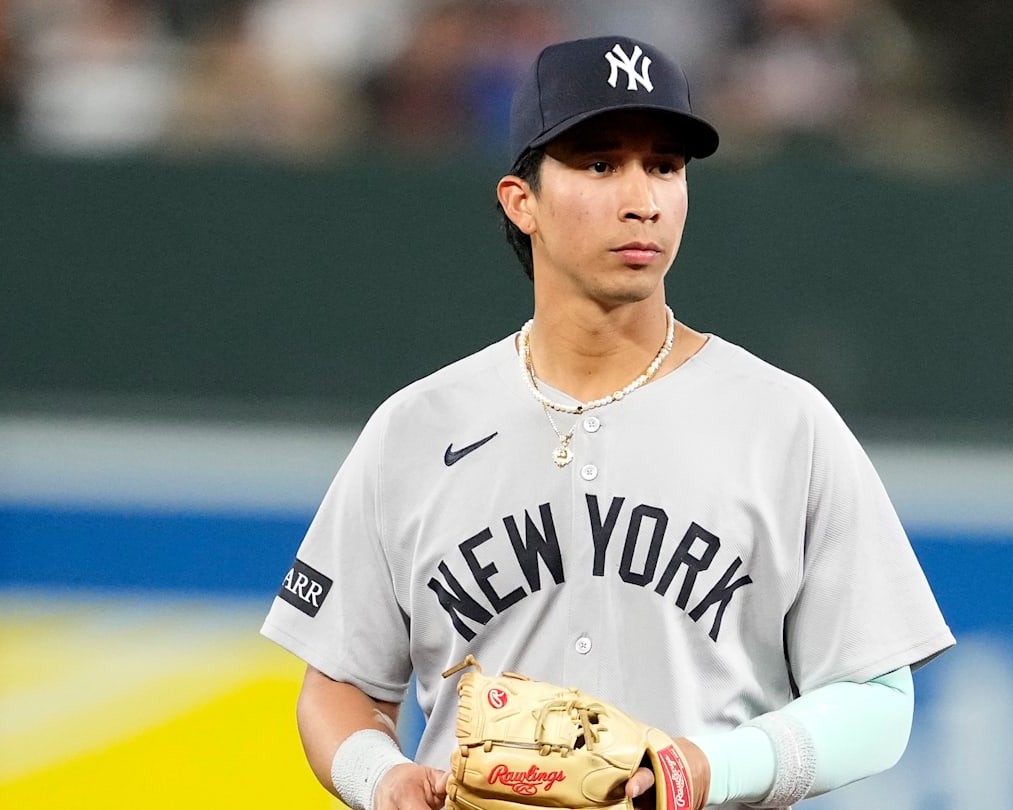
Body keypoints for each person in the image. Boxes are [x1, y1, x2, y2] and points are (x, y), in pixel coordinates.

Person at [260, 34, 954, 810]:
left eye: (664, 166)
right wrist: (380, 780)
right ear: (521, 201)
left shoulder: (784, 422)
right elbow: (338, 689)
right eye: (600, 164)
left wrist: (711, 768)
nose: (643, 199)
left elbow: (877, 703)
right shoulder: (417, 429)